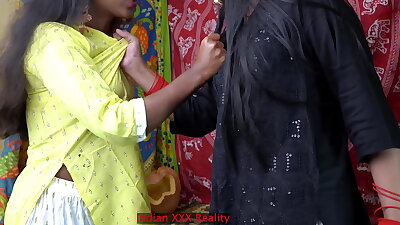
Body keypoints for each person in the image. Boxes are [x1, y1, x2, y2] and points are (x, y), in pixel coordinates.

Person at [128, 0, 400, 224]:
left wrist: (393, 220)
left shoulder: (318, 10)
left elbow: (372, 125)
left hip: (313, 212)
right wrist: (138, 69)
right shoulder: (231, 23)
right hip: (239, 212)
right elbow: (199, 114)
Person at [0, 0, 226, 224]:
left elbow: (190, 112)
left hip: (106, 201)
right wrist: (197, 72)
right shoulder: (52, 39)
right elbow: (114, 120)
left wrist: (138, 69)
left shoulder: (102, 44)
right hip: (62, 207)